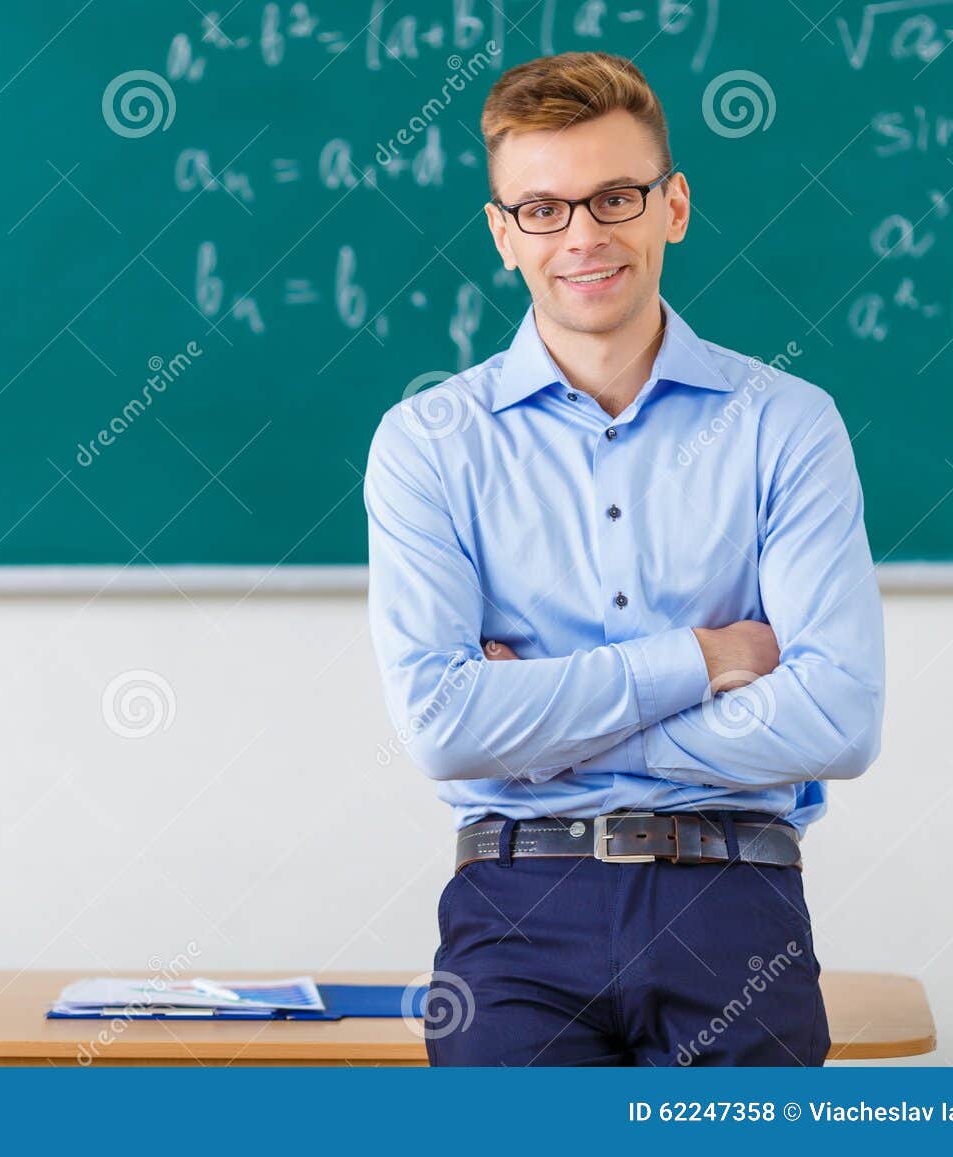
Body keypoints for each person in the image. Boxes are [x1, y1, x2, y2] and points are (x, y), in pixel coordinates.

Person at [363, 51, 886, 1066]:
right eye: (543, 208)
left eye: (614, 197)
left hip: (732, 902)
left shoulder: (784, 426)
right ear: (501, 233)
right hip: (515, 913)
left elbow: (839, 716)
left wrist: (542, 726)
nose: (584, 237)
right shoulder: (427, 442)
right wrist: (700, 659)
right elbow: (440, 726)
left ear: (673, 205)